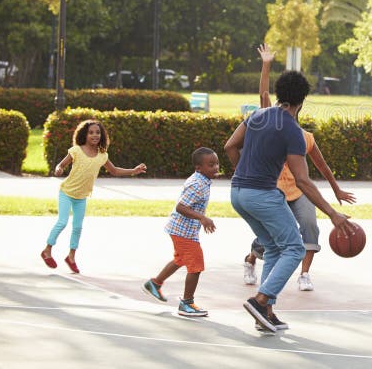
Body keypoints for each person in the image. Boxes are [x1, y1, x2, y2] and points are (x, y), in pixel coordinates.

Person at [225, 68, 353, 333]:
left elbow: (230, 146)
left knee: (272, 248)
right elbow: (303, 180)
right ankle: (260, 301)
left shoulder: (257, 115)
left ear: (279, 93)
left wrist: (243, 174)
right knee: (294, 248)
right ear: (302, 101)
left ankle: (266, 313)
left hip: (238, 193)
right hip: (262, 194)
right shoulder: (293, 131)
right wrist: (333, 213)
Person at [242, 44, 356, 291]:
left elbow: (323, 167)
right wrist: (266, 64)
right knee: (271, 238)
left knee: (310, 226)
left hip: (298, 191)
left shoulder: (304, 137)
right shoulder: (270, 121)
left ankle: (304, 274)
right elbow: (263, 94)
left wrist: (336, 191)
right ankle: (251, 259)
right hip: (274, 190)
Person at [40, 120, 146, 274]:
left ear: (101, 135)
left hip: (81, 197)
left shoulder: (102, 155)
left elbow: (115, 171)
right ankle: (47, 250)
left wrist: (133, 171)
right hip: (66, 193)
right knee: (62, 222)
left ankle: (71, 257)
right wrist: (58, 169)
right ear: (85, 134)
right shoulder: (76, 150)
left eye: (97, 132)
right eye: (91, 132)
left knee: (77, 227)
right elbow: (61, 165)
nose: (95, 135)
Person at [141, 147, 219, 317]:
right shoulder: (198, 184)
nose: (216, 167)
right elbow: (180, 207)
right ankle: (187, 303)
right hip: (184, 232)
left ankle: (154, 284)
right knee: (196, 266)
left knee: (181, 259)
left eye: (217, 164)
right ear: (198, 167)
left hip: (182, 230)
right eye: (211, 164)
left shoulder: (202, 180)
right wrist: (202, 218)